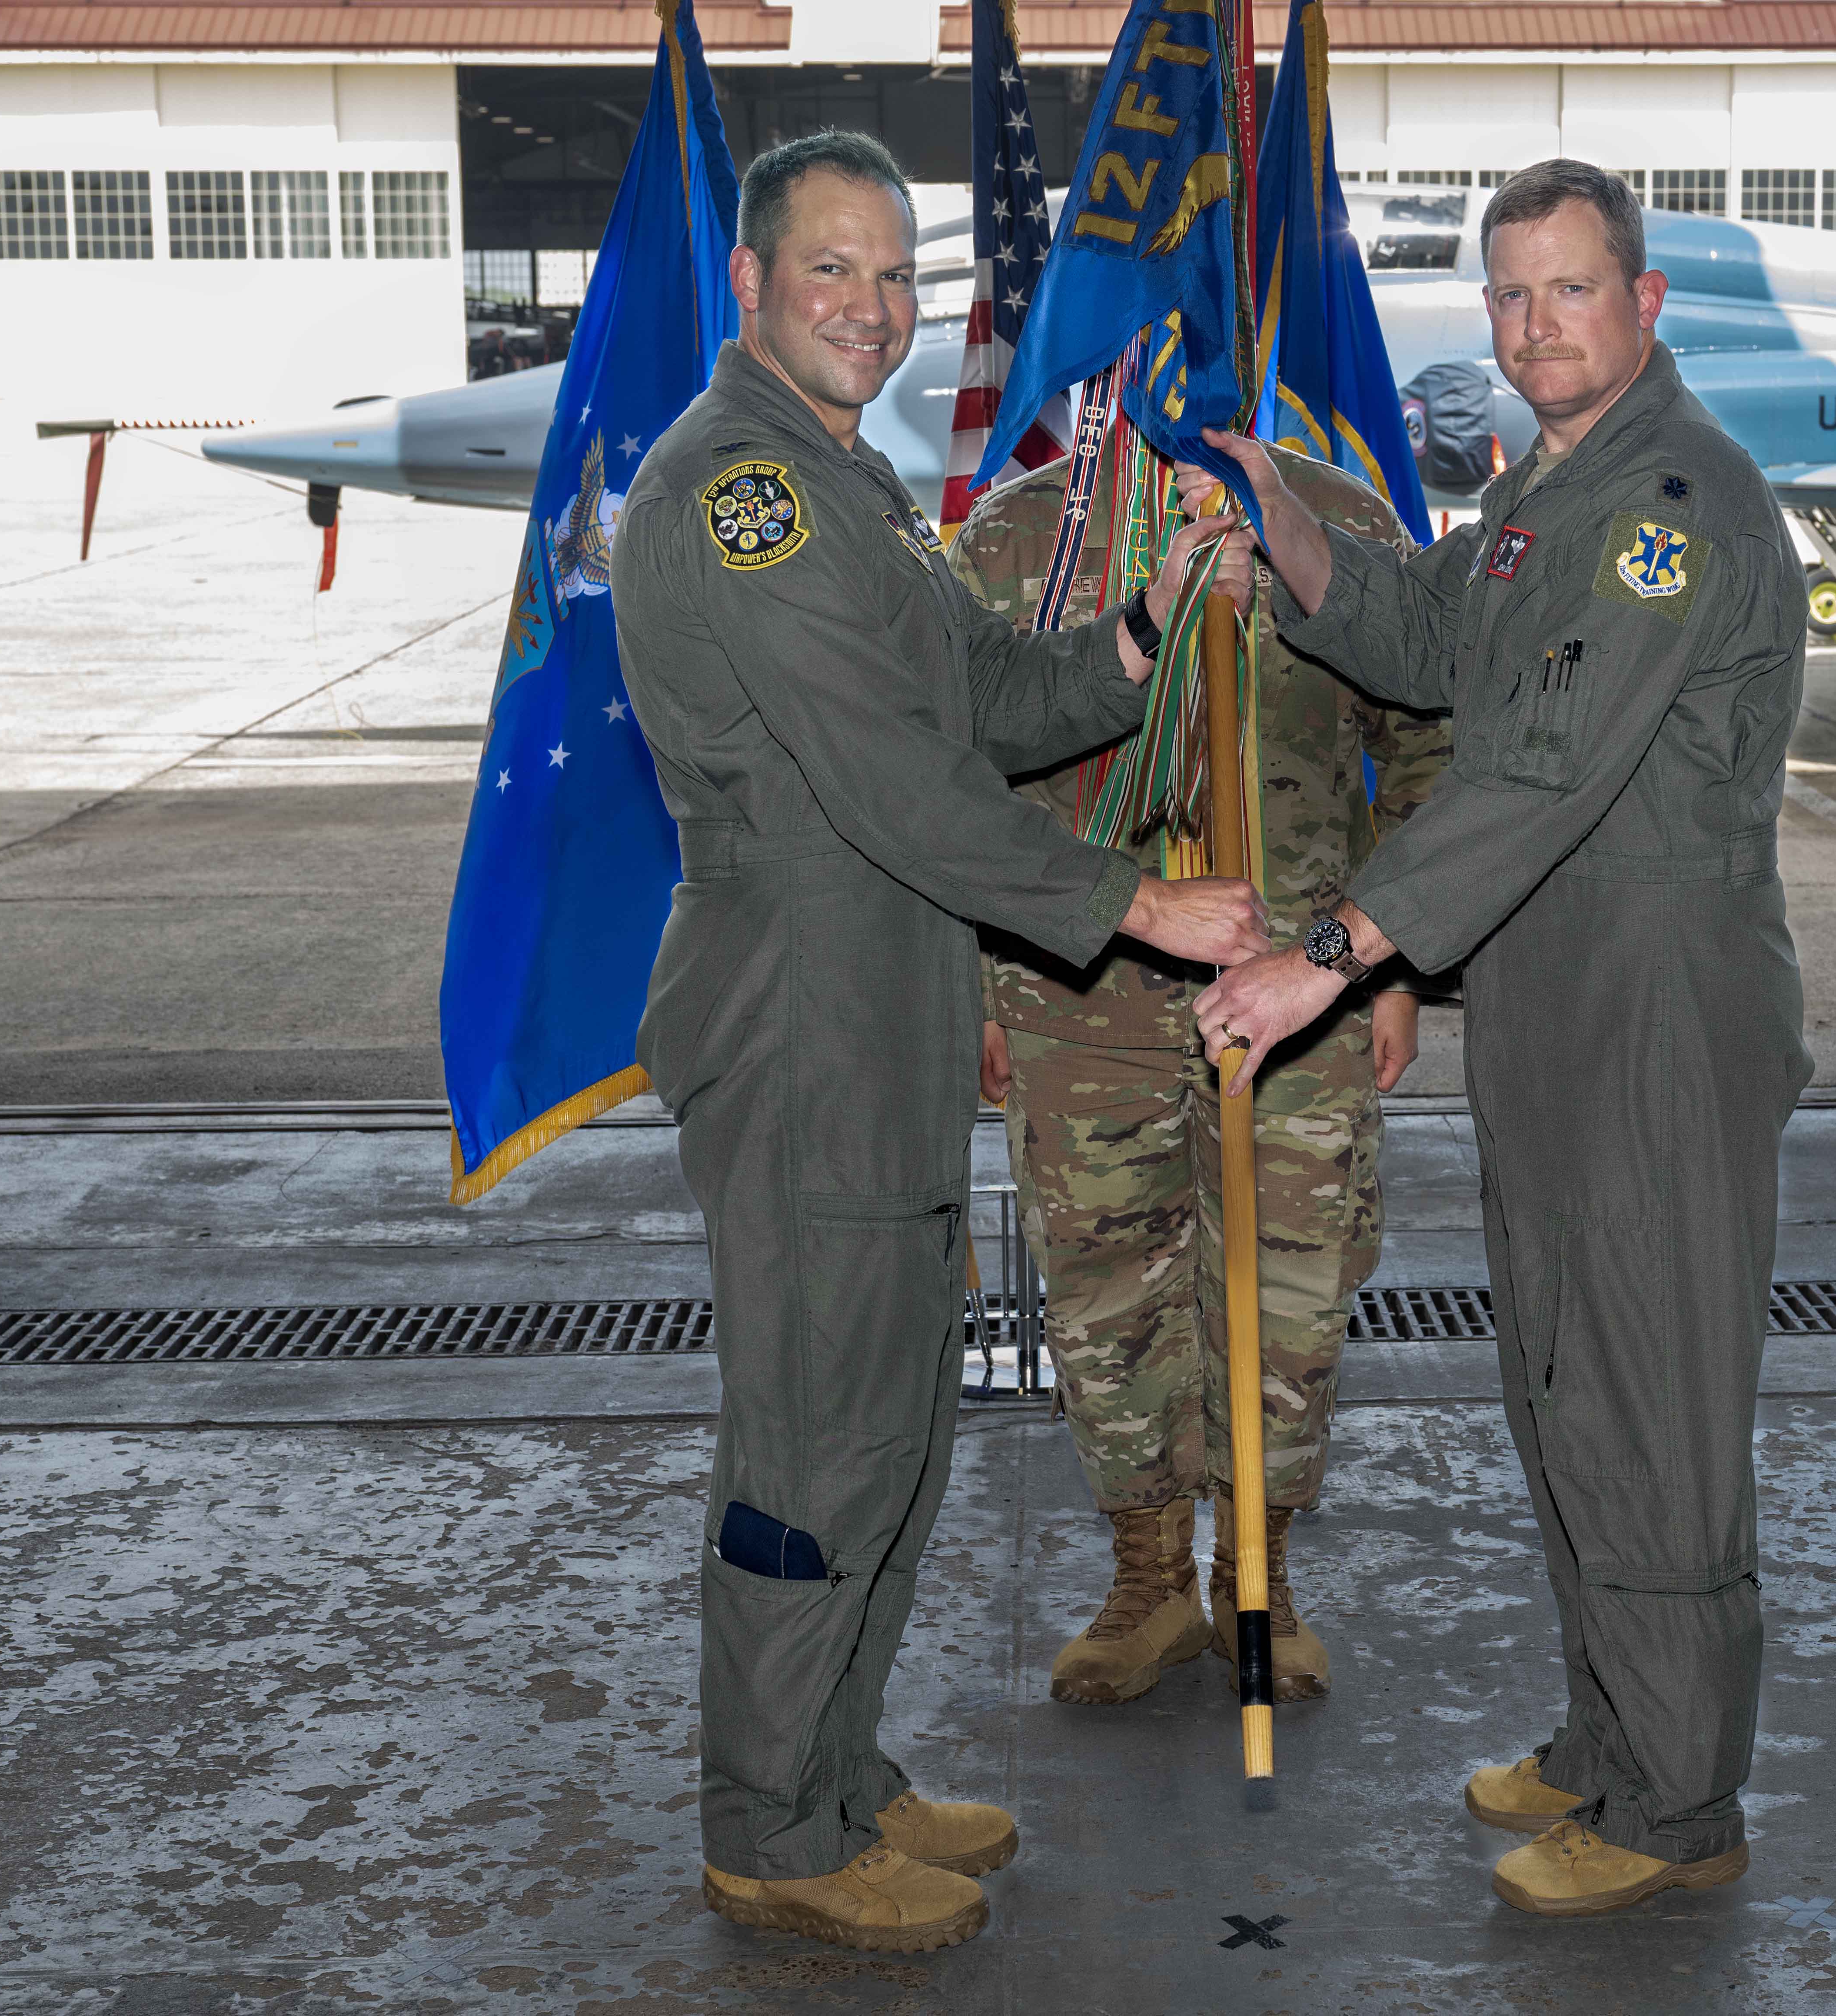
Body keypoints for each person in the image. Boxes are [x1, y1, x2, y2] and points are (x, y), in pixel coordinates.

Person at [607, 131, 1264, 1953]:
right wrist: (1136, 904)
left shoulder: (847, 483)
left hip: (878, 1011)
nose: (876, 308)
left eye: (899, 277)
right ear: (752, 285)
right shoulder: (739, 495)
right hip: (800, 1022)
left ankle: (839, 1772)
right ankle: (772, 1827)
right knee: (814, 1438)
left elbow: (978, 691)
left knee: (890, 1420)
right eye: (836, 269)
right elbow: (897, 782)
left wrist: (1142, 626)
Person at [1188, 158, 1811, 1917]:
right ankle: (1611, 1729)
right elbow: (1435, 636)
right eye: (1512, 295)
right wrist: (1295, 537)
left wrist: (1328, 953)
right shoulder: (1550, 493)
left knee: (1653, 1407)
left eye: (1573, 291)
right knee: (1563, 1388)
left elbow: (1534, 772)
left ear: (1646, 302)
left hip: (1662, 1027)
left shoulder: (1671, 503)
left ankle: (1678, 1800)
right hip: (1553, 1010)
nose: (1539, 324)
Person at [948, 444, 1450, 1709]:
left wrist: (1393, 966)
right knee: (1106, 1295)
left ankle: (1259, 1583)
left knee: (1290, 1292)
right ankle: (1148, 1578)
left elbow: (1430, 743)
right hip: (1077, 991)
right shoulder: (1021, 537)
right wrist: (974, 980)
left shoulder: (1334, 519)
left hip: (1297, 988)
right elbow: (949, 773)